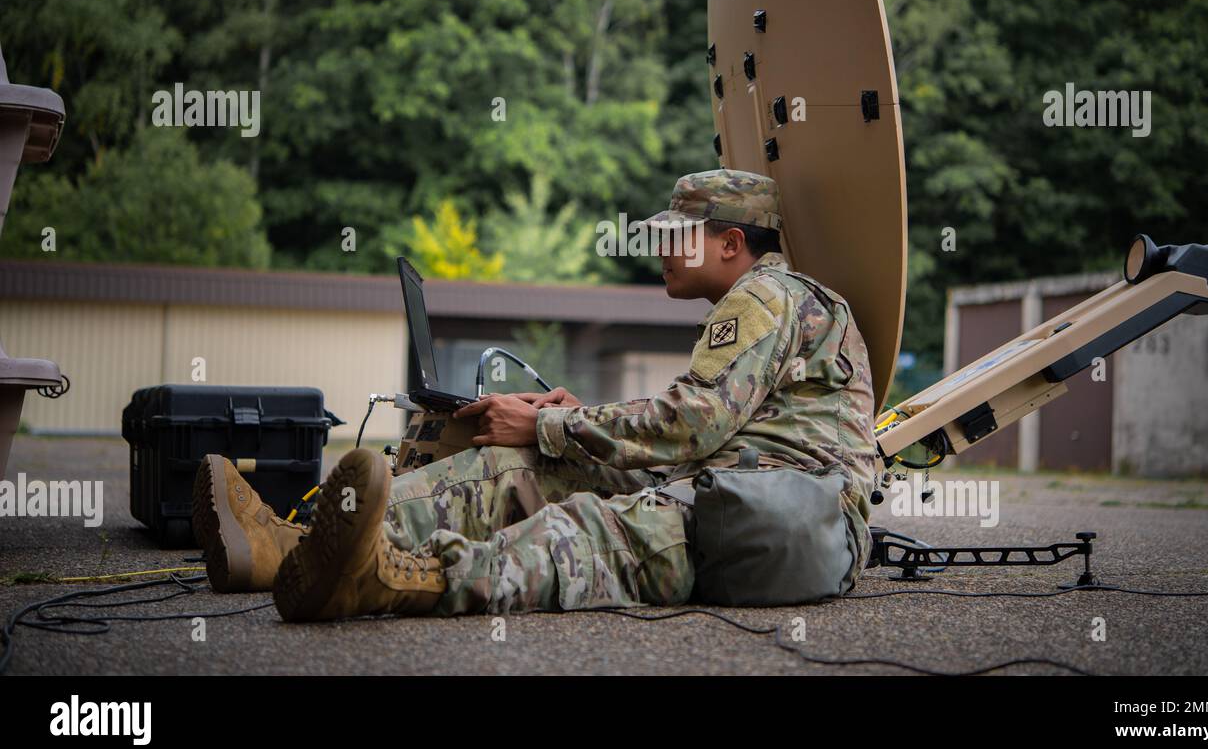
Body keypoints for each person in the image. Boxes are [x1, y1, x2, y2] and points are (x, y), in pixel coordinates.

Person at [192, 168, 881, 620]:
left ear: (732, 243)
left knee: (583, 528)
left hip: (786, 519)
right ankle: (290, 549)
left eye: (678, 235)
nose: (662, 247)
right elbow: (701, 428)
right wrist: (564, 426)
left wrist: (551, 425)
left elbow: (690, 424)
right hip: (737, 491)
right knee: (515, 470)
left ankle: (380, 577)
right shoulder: (774, 300)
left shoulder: (766, 294)